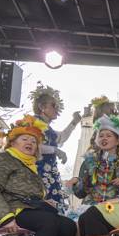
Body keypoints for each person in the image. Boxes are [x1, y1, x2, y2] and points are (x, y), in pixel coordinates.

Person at [30, 83, 82, 214]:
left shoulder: (47, 127)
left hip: (49, 174)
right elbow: (33, 146)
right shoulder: (32, 124)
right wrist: (55, 150)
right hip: (38, 174)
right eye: (53, 105)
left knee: (53, 209)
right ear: (42, 107)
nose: (57, 109)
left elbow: (61, 138)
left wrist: (74, 122)